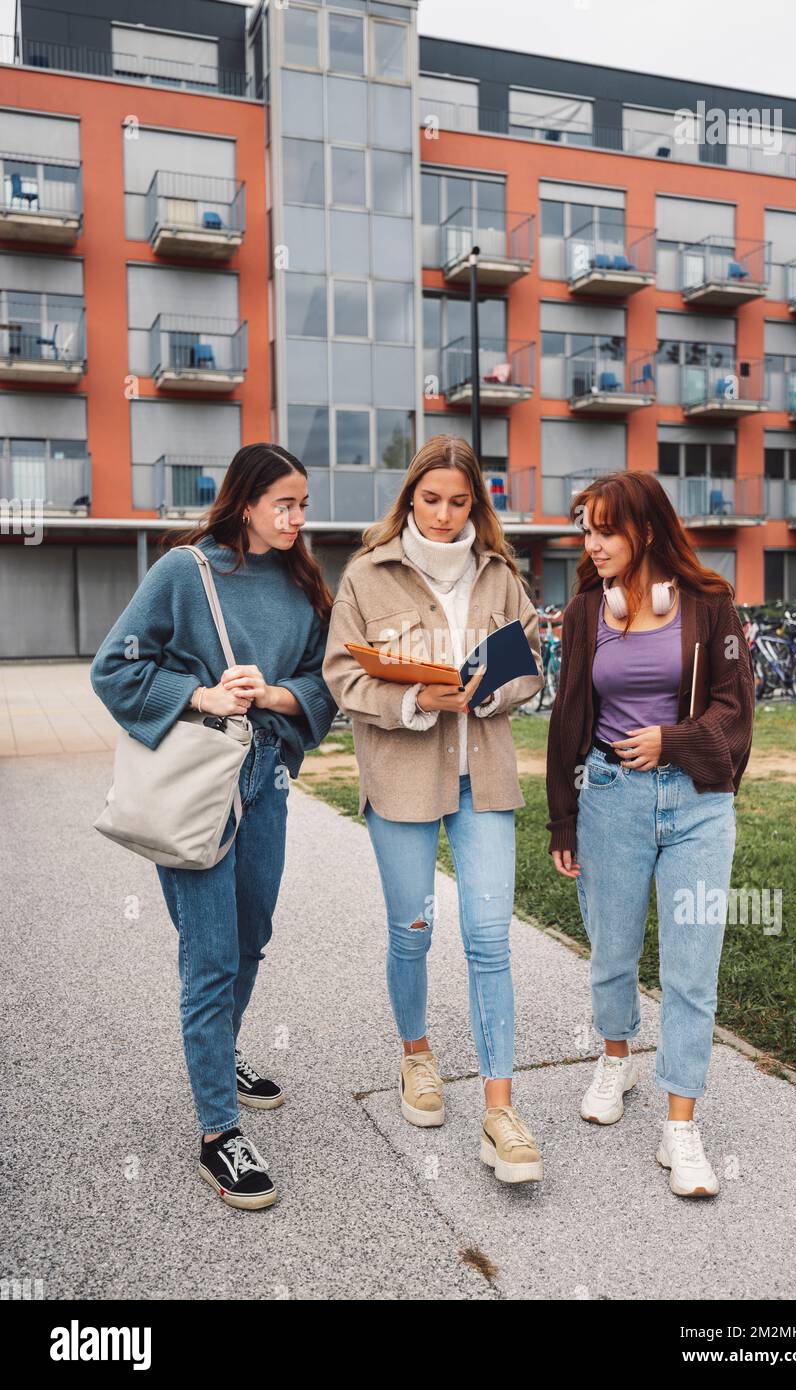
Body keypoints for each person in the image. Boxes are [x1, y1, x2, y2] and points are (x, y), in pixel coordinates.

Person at [90, 444, 337, 1209]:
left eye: (302, 503)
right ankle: (217, 1135)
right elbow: (115, 667)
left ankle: (217, 1053)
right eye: (283, 504)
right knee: (210, 959)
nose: (297, 518)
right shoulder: (183, 573)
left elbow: (320, 681)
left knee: (252, 935)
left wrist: (272, 695)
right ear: (245, 502)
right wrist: (203, 696)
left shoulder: (303, 585)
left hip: (265, 782)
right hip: (199, 785)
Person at [322, 434, 545, 1183]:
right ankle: (416, 1057)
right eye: (430, 500)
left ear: (475, 502)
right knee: (411, 930)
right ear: (408, 499)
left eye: (458, 501)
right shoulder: (366, 576)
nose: (444, 515)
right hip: (403, 778)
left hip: (483, 779)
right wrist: (416, 698)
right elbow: (341, 680)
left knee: (489, 939)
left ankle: (500, 1111)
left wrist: (491, 689)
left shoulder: (499, 577)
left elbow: (531, 669)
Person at [545, 470, 754, 1198]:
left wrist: (675, 739)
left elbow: (734, 709)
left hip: (696, 806)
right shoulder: (584, 613)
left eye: (605, 530)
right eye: (585, 530)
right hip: (608, 801)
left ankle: (680, 1127)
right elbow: (567, 716)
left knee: (691, 970)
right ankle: (613, 1058)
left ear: (644, 529)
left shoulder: (708, 604)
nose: (591, 543)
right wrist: (562, 817)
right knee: (611, 953)